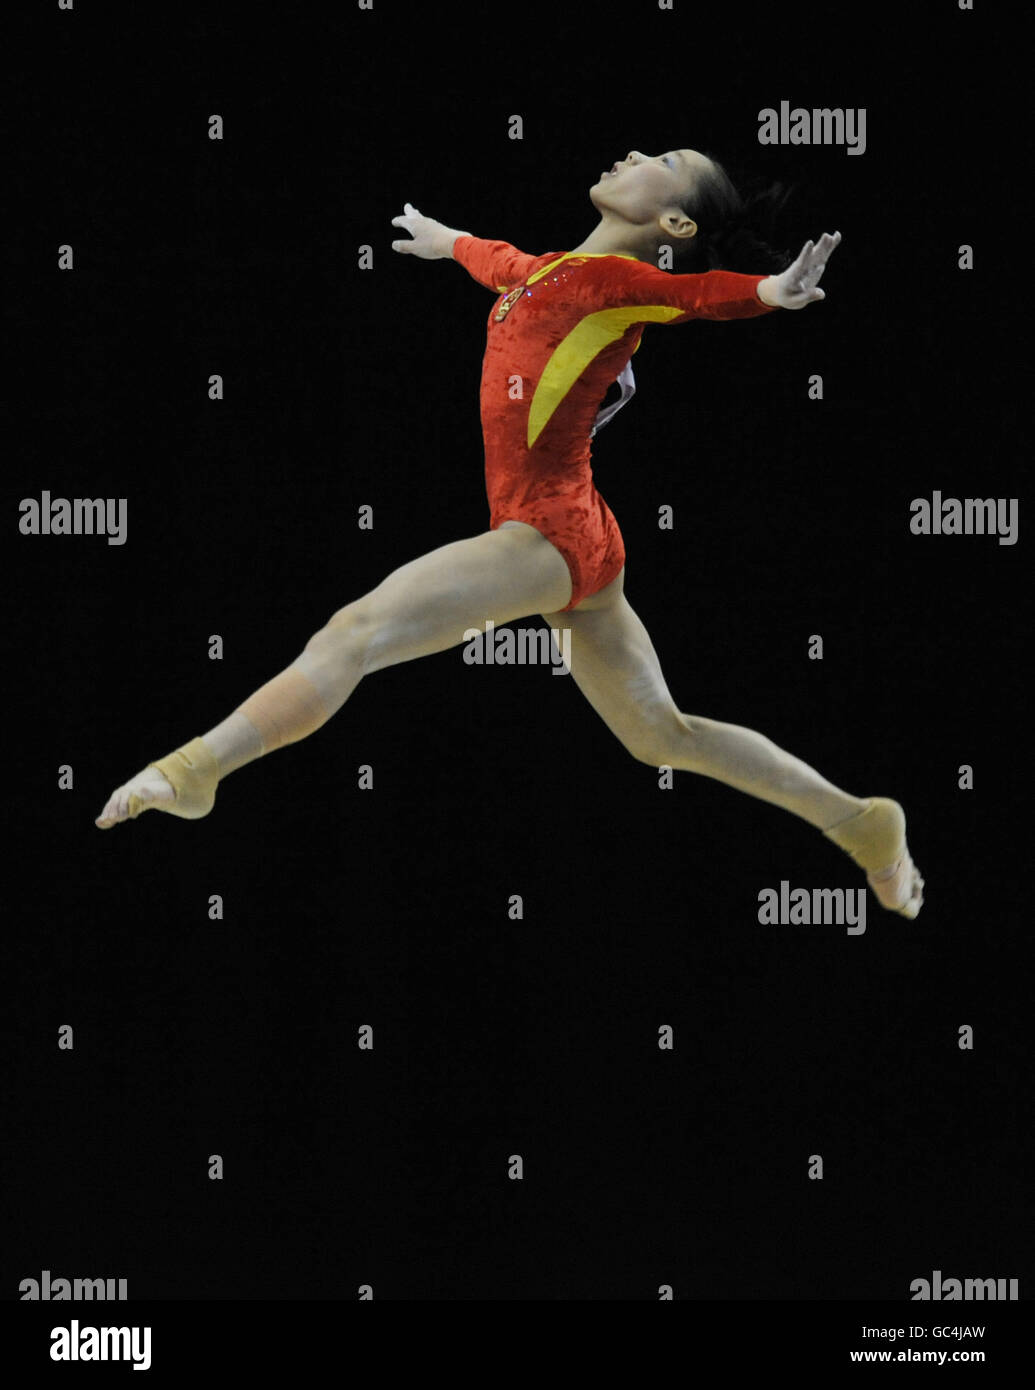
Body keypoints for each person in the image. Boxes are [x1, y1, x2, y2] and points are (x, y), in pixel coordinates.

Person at [95, 146, 923, 919]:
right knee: (661, 736)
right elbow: (501, 263)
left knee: (355, 630)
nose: (633, 154)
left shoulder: (622, 282)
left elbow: (692, 297)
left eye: (660, 162)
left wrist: (769, 292)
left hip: (545, 534)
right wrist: (444, 239)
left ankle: (198, 769)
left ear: (674, 225)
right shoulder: (555, 272)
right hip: (581, 533)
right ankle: (857, 822)